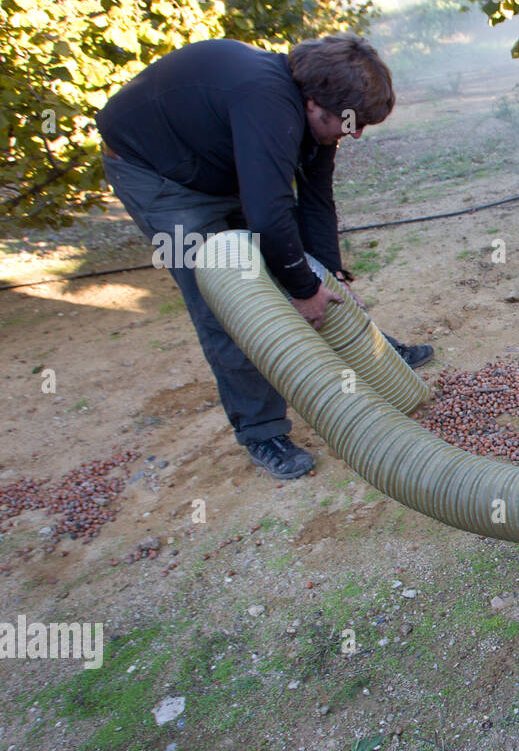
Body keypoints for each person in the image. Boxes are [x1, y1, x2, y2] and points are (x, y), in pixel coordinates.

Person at [96, 33, 432, 480]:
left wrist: (327, 276)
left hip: (219, 160)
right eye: (351, 123)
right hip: (159, 175)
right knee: (225, 299)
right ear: (314, 103)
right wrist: (302, 288)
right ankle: (262, 431)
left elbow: (314, 200)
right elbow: (269, 213)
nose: (357, 133)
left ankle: (373, 357)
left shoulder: (312, 109)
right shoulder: (266, 101)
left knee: (303, 271)